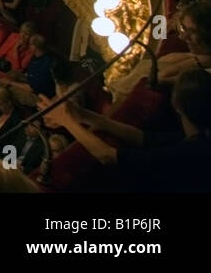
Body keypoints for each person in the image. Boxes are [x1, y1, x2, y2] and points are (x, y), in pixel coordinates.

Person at [42, 68, 211, 193]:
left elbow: (107, 156)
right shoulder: (198, 134)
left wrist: (67, 122)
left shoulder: (190, 151)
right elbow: (141, 137)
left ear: (176, 106)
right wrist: (83, 116)